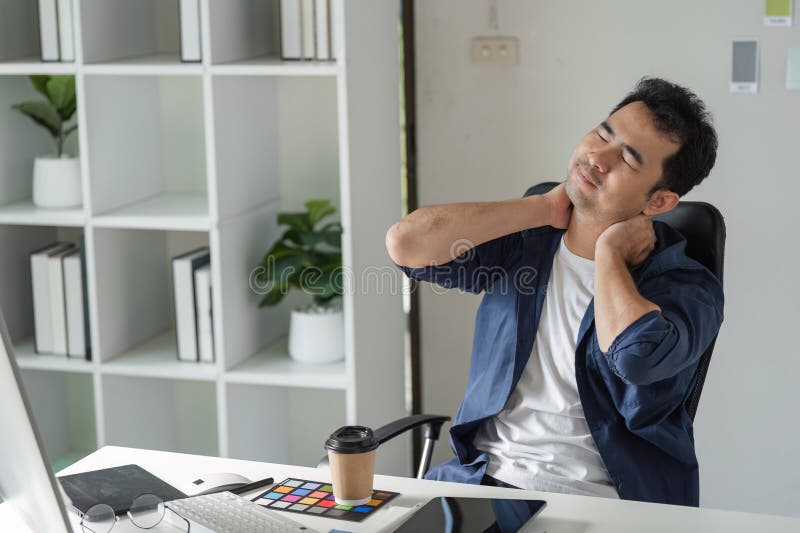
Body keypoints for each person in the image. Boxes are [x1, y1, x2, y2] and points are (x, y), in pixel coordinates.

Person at [385, 78, 724, 507]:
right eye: (604, 133)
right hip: (477, 483)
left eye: (628, 158)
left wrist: (609, 252)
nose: (598, 157)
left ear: (658, 202)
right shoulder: (532, 237)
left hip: (597, 503)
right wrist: (540, 207)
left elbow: (634, 356)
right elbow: (406, 244)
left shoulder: (689, 287)